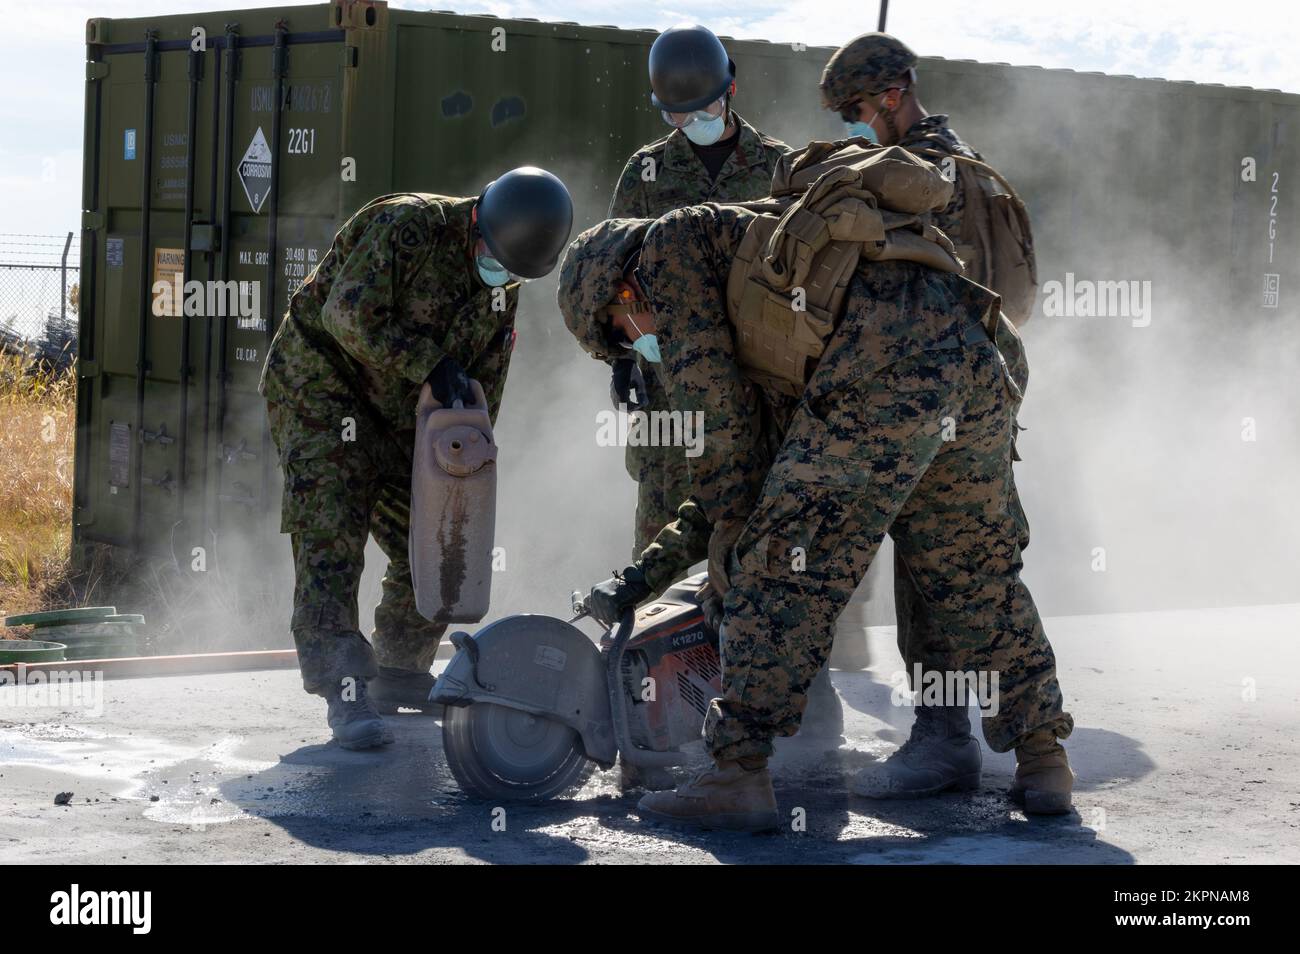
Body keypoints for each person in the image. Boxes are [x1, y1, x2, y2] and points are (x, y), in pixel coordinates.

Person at [561, 195, 1073, 831]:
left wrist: (732, 549)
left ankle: (737, 774)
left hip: (883, 366)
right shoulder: (773, 285)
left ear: (619, 287)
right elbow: (753, 469)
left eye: (618, 329)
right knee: (975, 571)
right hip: (977, 355)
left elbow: (725, 445)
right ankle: (1044, 758)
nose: (639, 342)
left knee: (780, 565)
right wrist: (641, 577)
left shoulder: (669, 254)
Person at [259, 168, 573, 749]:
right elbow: (345, 316)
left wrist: (470, 451)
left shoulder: (505, 277)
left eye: (514, 274)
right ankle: (345, 692)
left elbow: (486, 381)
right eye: (496, 260)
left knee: (440, 532)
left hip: (406, 413)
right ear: (478, 223)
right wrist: (429, 363)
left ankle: (400, 671)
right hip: (323, 390)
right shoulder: (408, 225)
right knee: (330, 532)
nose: (500, 277)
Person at [819, 31, 1040, 799]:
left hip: (935, 409)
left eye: (855, 108)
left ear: (891, 95)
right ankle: (1028, 743)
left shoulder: (925, 177)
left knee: (934, 578)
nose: (852, 124)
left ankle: (945, 742)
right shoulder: (973, 169)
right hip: (981, 409)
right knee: (980, 575)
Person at [608, 23, 789, 558]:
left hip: (755, 385)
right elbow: (614, 270)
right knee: (660, 536)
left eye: (702, 111)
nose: (690, 124)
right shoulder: (646, 172)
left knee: (750, 530)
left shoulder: (779, 168)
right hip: (667, 384)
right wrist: (623, 356)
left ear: (730, 91)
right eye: (674, 115)